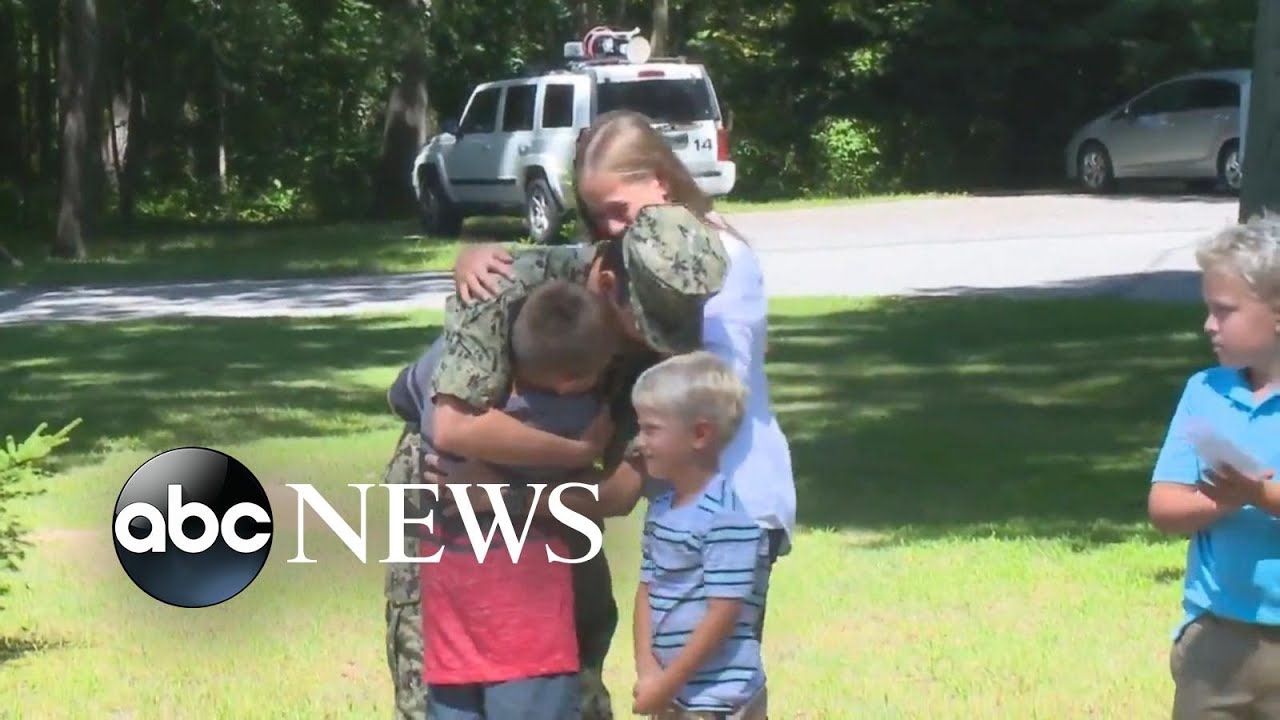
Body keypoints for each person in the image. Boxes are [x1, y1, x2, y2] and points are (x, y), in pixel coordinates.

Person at [453, 110, 797, 642]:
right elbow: (564, 264)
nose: (611, 229)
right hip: (695, 507)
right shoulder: (657, 257)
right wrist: (473, 257)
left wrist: (508, 496)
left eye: (620, 210)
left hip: (730, 504)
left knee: (707, 687)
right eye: (597, 216)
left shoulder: (707, 271)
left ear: (661, 180)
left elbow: (622, 488)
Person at [383, 200, 730, 720]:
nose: (652, 346)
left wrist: (509, 495)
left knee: (568, 683)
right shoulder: (509, 284)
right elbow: (453, 425)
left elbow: (616, 493)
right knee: (439, 688)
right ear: (608, 282)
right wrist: (580, 451)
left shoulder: (664, 350)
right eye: (643, 328)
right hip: (447, 508)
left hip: (554, 528)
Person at [386, 280, 619, 720]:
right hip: (532, 635)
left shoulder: (447, 383)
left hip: (452, 627)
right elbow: (610, 491)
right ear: (573, 382)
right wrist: (583, 452)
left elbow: (402, 395)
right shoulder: (582, 418)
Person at [1147, 213, 1280, 719]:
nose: (1209, 325)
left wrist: (1258, 495)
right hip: (1219, 637)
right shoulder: (1206, 392)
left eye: (1224, 311)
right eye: (1208, 309)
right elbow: (1164, 505)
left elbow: (1257, 494)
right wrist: (1219, 499)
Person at [629, 351, 770, 719]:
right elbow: (647, 589)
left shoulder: (726, 517)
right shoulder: (661, 508)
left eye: (651, 429)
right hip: (674, 695)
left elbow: (723, 614)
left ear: (700, 434)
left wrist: (666, 683)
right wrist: (648, 671)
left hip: (720, 700)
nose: (639, 442)